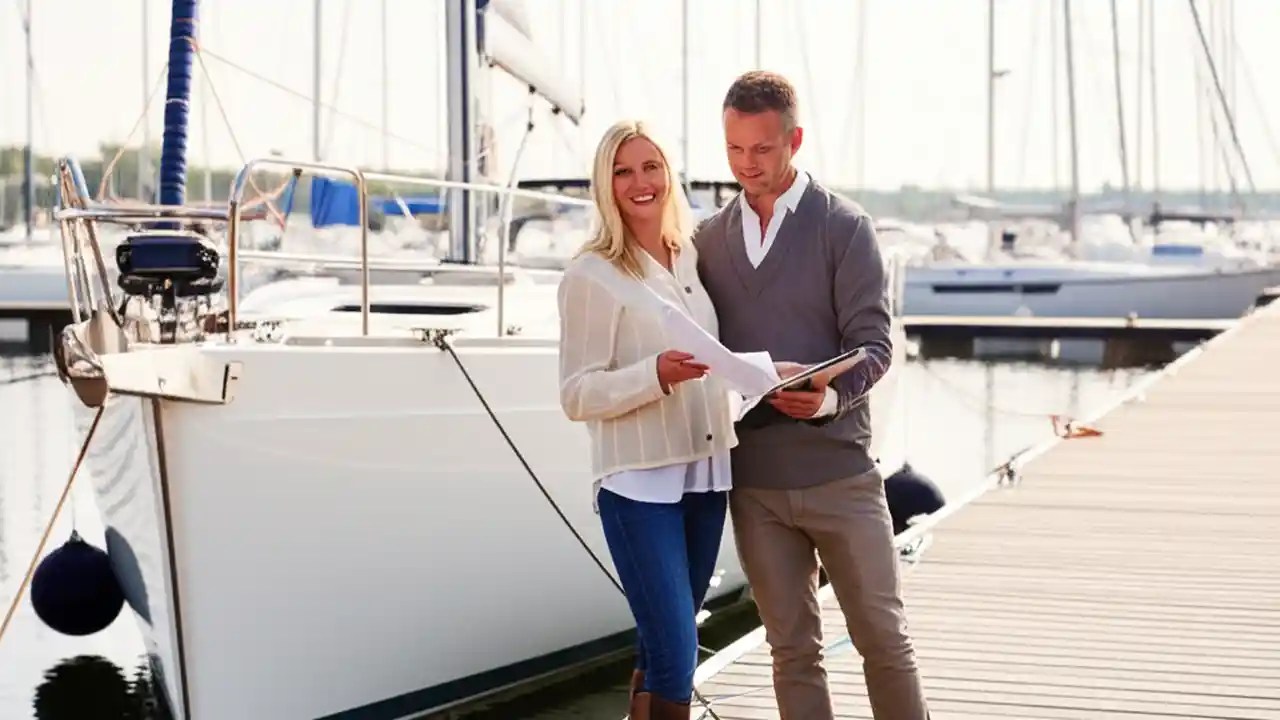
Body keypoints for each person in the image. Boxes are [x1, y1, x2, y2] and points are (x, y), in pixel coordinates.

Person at [693, 71, 931, 719]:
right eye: (734, 149)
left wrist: (826, 399)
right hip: (756, 485)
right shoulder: (707, 240)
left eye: (762, 149)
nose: (747, 165)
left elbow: (875, 346)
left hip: (841, 477)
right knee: (790, 649)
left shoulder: (844, 227)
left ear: (794, 140)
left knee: (883, 639)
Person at [556, 119, 739, 720]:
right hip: (638, 482)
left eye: (651, 166)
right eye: (623, 171)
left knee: (663, 639)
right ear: (605, 185)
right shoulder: (592, 273)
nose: (640, 182)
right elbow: (576, 394)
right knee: (677, 652)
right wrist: (655, 374)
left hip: (706, 473)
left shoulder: (691, 254)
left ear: (669, 173)